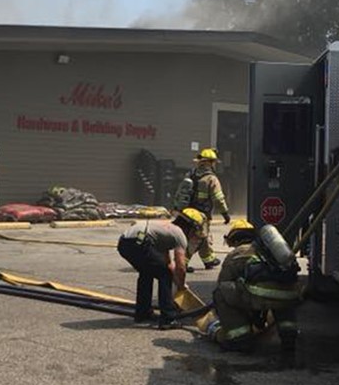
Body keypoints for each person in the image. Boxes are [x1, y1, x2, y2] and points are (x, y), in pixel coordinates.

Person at [204, 221, 303, 352]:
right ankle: (289, 336)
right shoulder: (273, 251)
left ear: (235, 240)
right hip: (290, 295)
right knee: (280, 292)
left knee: (221, 292)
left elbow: (223, 282)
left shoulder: (236, 254)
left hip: (260, 296)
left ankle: (239, 338)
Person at [117, 207, 206, 329]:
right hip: (140, 242)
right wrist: (180, 285)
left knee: (146, 273)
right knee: (165, 274)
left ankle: (143, 313)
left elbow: (167, 262)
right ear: (190, 227)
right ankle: (168, 318)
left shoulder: (166, 229)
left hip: (125, 243)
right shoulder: (179, 234)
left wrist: (177, 278)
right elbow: (180, 266)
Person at [177, 148, 231, 272]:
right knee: (196, 238)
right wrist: (225, 213)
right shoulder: (211, 178)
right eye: (213, 162)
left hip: (187, 212)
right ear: (210, 163)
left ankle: (209, 260)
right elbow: (218, 198)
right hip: (201, 214)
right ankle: (182, 263)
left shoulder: (190, 174)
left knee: (203, 236)